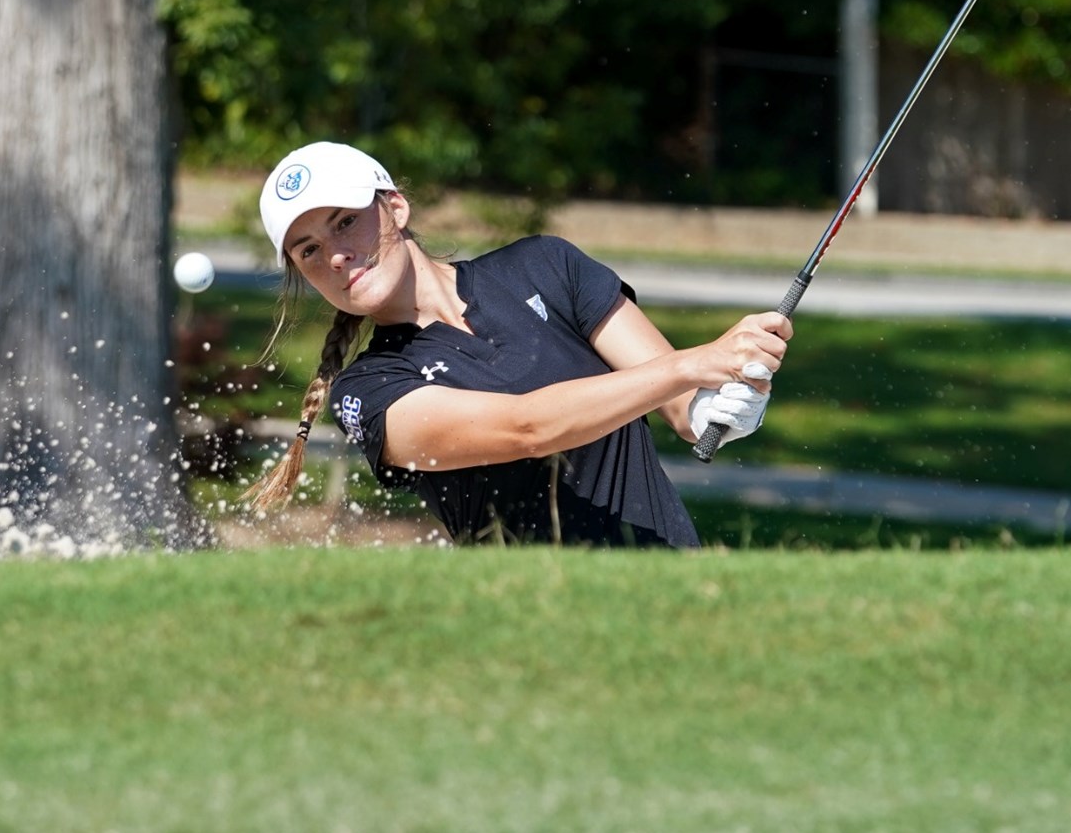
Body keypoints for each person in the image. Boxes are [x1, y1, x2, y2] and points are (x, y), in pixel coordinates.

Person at [244, 141, 790, 548]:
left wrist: (730, 403)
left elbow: (681, 405)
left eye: (345, 222)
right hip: (536, 628)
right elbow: (526, 428)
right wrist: (693, 366)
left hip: (675, 582)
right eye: (309, 250)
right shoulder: (369, 390)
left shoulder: (546, 267)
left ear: (396, 207)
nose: (336, 255)